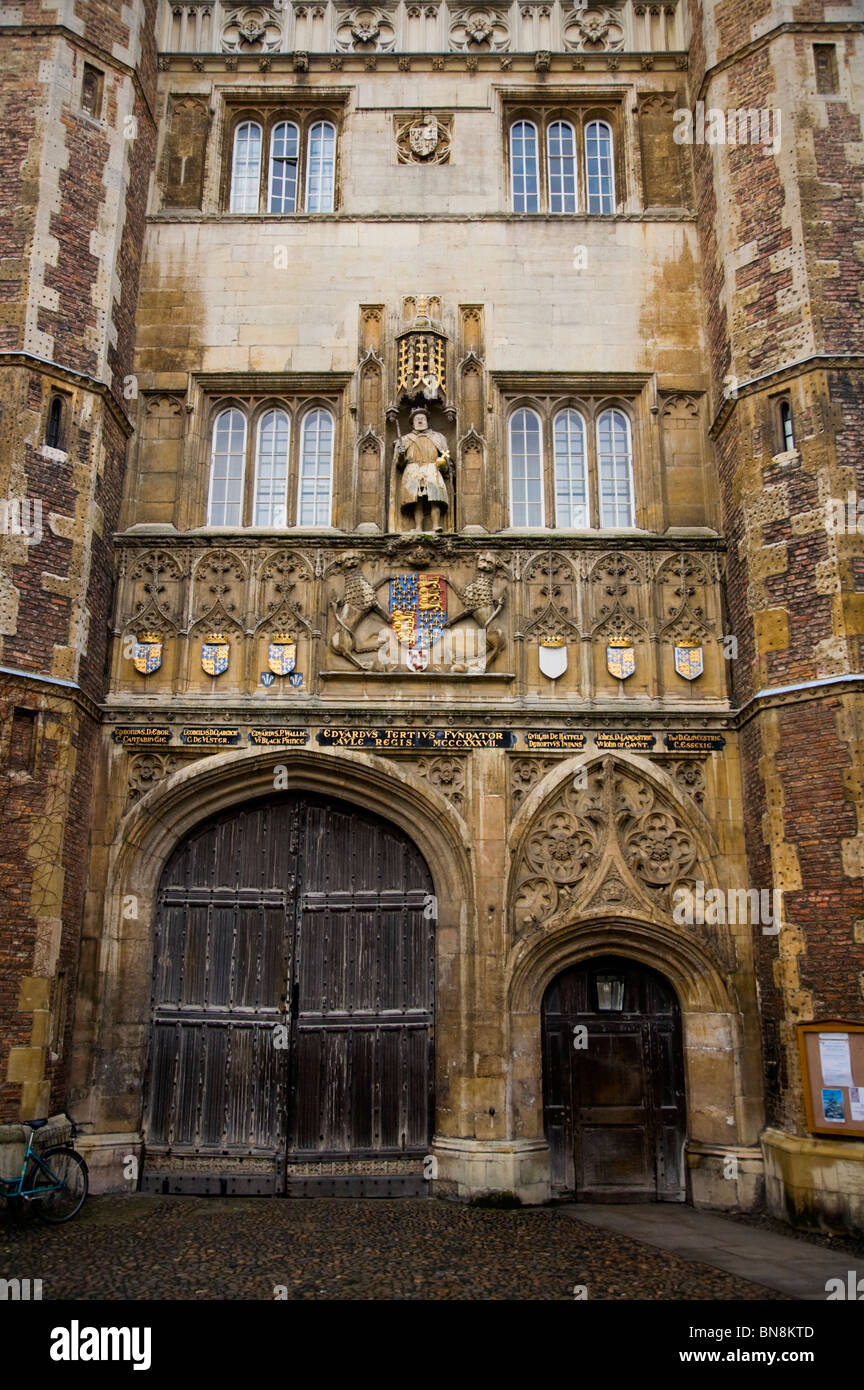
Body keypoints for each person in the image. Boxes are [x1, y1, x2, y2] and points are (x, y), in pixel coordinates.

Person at [394, 409, 450, 532]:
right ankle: (418, 527)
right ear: (412, 423)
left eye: (422, 418)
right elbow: (399, 465)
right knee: (416, 500)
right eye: (417, 419)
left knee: (435, 498)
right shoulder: (405, 439)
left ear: (427, 421)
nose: (420, 420)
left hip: (431, 468)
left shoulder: (438, 437)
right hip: (413, 469)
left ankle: (435, 525)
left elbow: (446, 457)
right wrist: (402, 456)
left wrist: (443, 463)